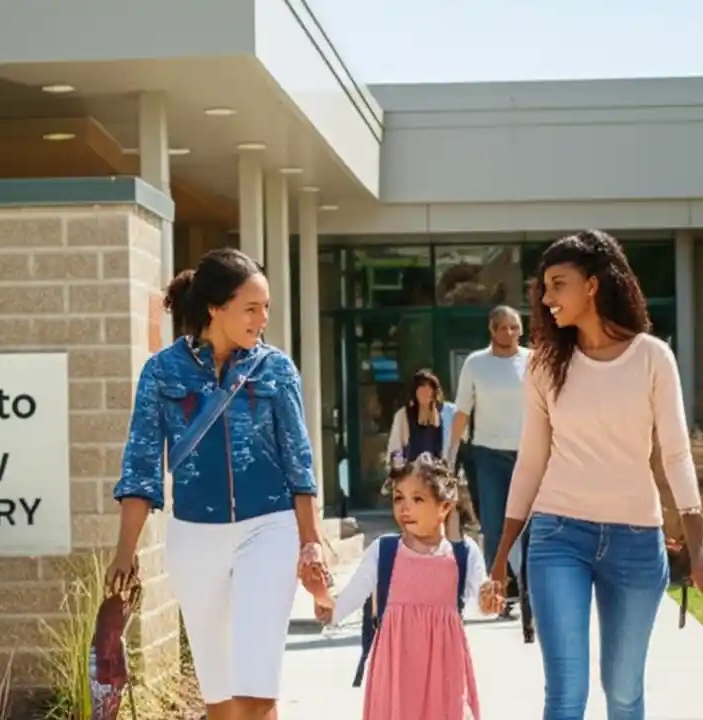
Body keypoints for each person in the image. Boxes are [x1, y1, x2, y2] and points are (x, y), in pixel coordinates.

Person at [485, 230, 703, 720]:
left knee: (623, 692)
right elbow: (531, 460)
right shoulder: (546, 366)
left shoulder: (653, 357)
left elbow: (676, 454)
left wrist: (697, 542)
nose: (547, 299)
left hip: (636, 541)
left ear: (592, 285)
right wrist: (502, 552)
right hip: (558, 535)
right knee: (566, 693)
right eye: (543, 289)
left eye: (558, 284)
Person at [106, 247, 330, 720]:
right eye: (251, 308)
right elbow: (142, 464)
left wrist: (310, 543)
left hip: (268, 527)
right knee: (220, 695)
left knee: (255, 683)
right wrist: (125, 551)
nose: (262, 318)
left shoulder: (275, 369)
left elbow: (299, 463)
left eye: (266, 307)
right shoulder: (163, 372)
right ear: (215, 308)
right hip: (194, 536)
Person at [316, 453, 502, 720]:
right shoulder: (385, 552)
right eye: (398, 498)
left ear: (445, 507)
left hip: (445, 678)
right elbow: (341, 606)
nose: (405, 508)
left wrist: (489, 600)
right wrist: (319, 593)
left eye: (417, 499)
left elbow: (481, 605)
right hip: (395, 681)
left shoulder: (464, 555)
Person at [448, 305, 529, 600]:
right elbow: (461, 412)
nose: (510, 332)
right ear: (492, 330)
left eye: (515, 327)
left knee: (531, 528)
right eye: (504, 327)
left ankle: (529, 590)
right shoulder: (476, 363)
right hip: (489, 455)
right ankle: (500, 591)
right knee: (494, 526)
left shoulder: (533, 362)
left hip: (528, 456)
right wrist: (449, 455)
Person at [387, 369, 479, 538]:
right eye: (420, 388)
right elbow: (396, 449)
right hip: (414, 480)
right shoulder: (404, 415)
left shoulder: (450, 412)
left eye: (428, 388)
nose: (424, 392)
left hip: (443, 477)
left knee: (449, 528)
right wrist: (399, 472)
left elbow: (462, 440)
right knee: (417, 527)